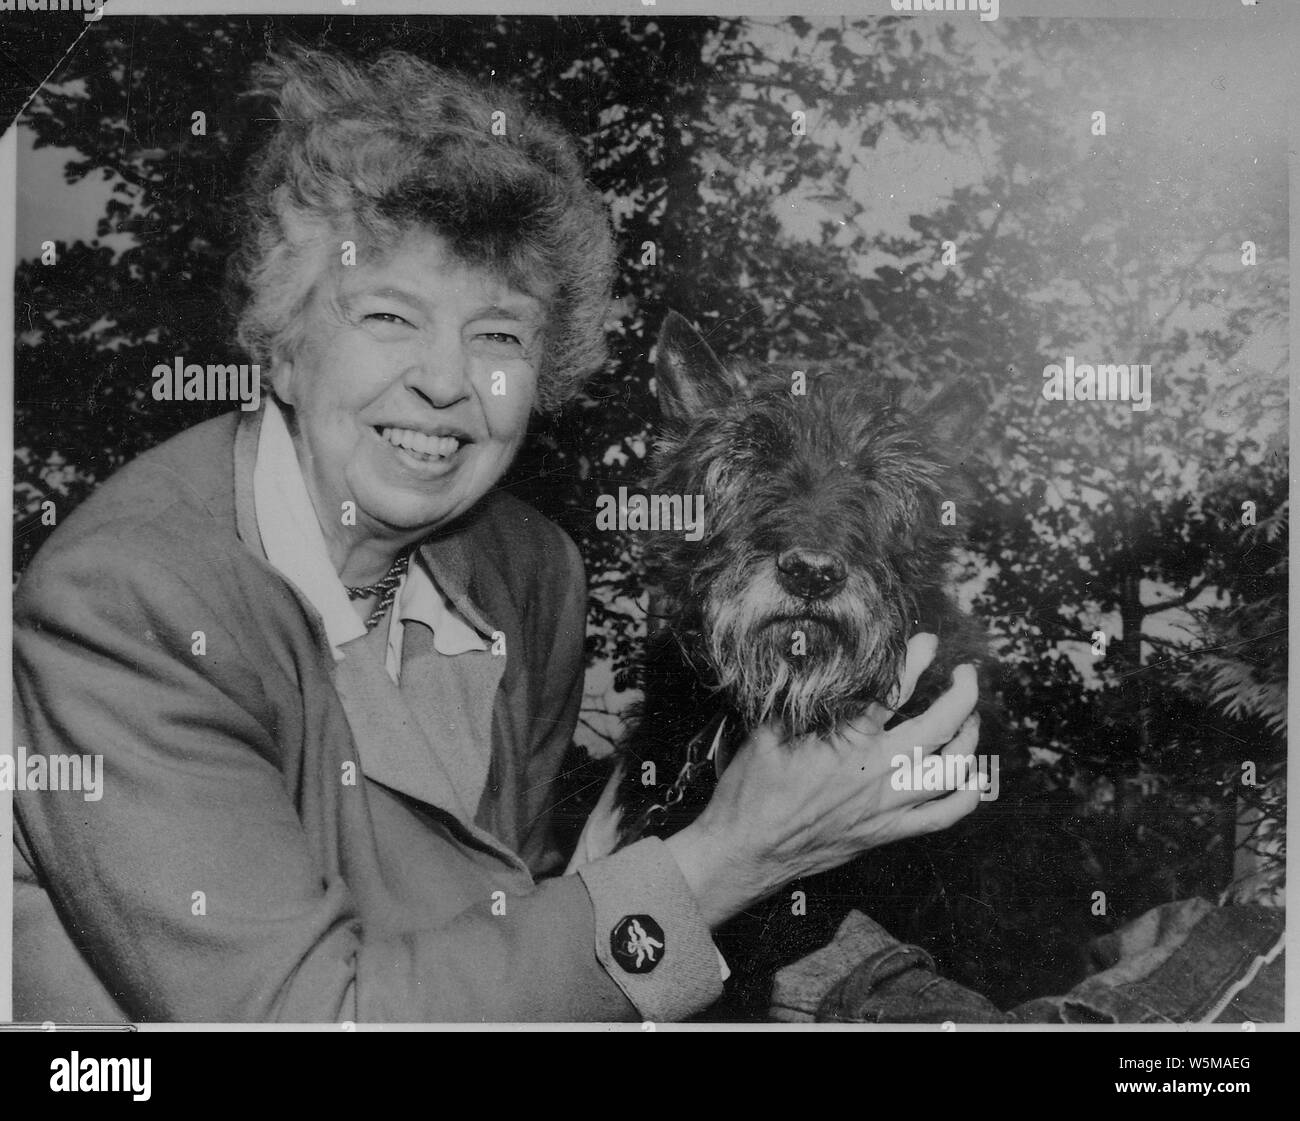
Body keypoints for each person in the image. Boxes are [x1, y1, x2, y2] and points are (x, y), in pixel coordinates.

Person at [11, 44, 983, 1023]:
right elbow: (304, 1017)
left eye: (499, 333)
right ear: (284, 339)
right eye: (389, 313)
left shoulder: (526, 573)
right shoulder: (129, 599)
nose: (446, 378)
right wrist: (730, 852)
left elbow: (493, 931)